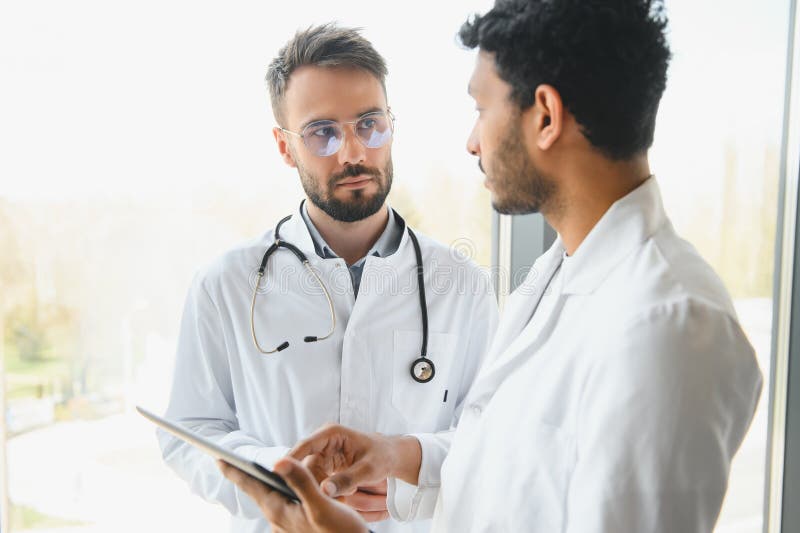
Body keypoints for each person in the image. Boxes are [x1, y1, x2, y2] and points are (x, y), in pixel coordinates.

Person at [217, 1, 764, 532]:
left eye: (481, 109)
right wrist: (399, 454)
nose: (472, 140)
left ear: (545, 116)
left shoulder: (666, 327)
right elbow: (509, 464)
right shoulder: (560, 277)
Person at [158, 24, 498, 533]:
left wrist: (408, 472)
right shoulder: (225, 285)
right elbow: (189, 431)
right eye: (322, 133)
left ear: (391, 124)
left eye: (369, 124)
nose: (353, 153)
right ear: (284, 146)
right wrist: (284, 477)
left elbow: (492, 434)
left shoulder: (463, 285)